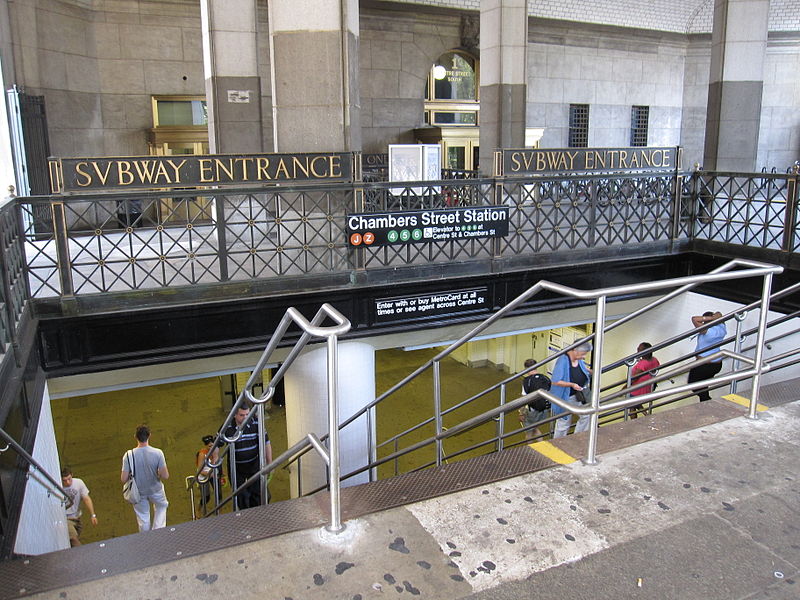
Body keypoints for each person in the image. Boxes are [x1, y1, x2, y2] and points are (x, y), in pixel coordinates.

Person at [121, 424, 170, 532]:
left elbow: (123, 479)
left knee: (143, 518)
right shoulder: (158, 453)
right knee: (161, 507)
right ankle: (158, 533)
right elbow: (165, 476)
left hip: (138, 492)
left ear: (135, 436)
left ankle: (146, 539)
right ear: (149, 436)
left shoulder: (128, 455)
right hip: (155, 489)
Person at [226, 405, 272, 509]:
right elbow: (217, 443)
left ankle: (256, 514)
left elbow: (266, 443)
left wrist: (270, 464)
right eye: (241, 415)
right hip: (236, 467)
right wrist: (215, 460)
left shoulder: (256, 423)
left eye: (247, 414)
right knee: (241, 496)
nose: (245, 418)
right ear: (234, 415)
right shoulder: (227, 427)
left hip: (254, 464)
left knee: (259, 494)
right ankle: (245, 516)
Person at [550, 343, 593, 438]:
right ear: (575, 350)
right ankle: (559, 442)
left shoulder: (578, 358)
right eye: (582, 354)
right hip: (566, 396)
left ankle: (578, 437)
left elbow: (580, 368)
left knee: (586, 415)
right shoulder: (563, 360)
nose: (584, 356)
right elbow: (555, 381)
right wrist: (572, 385)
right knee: (564, 421)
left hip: (579, 395)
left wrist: (589, 371)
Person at [687, 311, 727, 402]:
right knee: (703, 385)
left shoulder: (706, 330)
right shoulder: (721, 327)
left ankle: (707, 402)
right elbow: (719, 313)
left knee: (693, 384)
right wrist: (714, 318)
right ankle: (705, 403)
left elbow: (694, 319)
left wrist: (710, 319)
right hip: (717, 365)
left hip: (704, 365)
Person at [61, 467, 97, 547]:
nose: (68, 482)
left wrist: (93, 515)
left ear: (72, 475)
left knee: (73, 539)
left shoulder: (78, 483)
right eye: (64, 480)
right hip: (65, 519)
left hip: (77, 517)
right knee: (73, 539)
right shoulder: (58, 486)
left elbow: (86, 498)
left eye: (69, 479)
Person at [518, 358, 551, 440]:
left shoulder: (526, 381)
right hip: (544, 409)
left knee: (529, 431)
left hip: (532, 410)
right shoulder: (545, 378)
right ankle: (541, 444)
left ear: (526, 369)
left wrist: (521, 413)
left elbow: (524, 398)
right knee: (535, 428)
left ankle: (532, 447)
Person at [629, 342, 660, 419]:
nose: (637, 351)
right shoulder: (654, 360)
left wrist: (624, 388)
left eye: (639, 350)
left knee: (630, 404)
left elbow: (634, 378)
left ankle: (634, 422)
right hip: (649, 387)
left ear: (645, 352)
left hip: (638, 390)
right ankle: (646, 415)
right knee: (635, 403)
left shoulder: (642, 364)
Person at [196, 434, 222, 510]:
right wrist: (209, 474)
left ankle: (218, 509)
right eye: (209, 446)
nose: (211, 448)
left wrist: (221, 473)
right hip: (204, 475)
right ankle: (198, 509)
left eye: (212, 446)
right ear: (206, 446)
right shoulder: (202, 454)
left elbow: (217, 463)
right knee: (206, 497)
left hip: (213, 473)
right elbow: (200, 470)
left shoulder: (216, 450)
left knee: (219, 493)